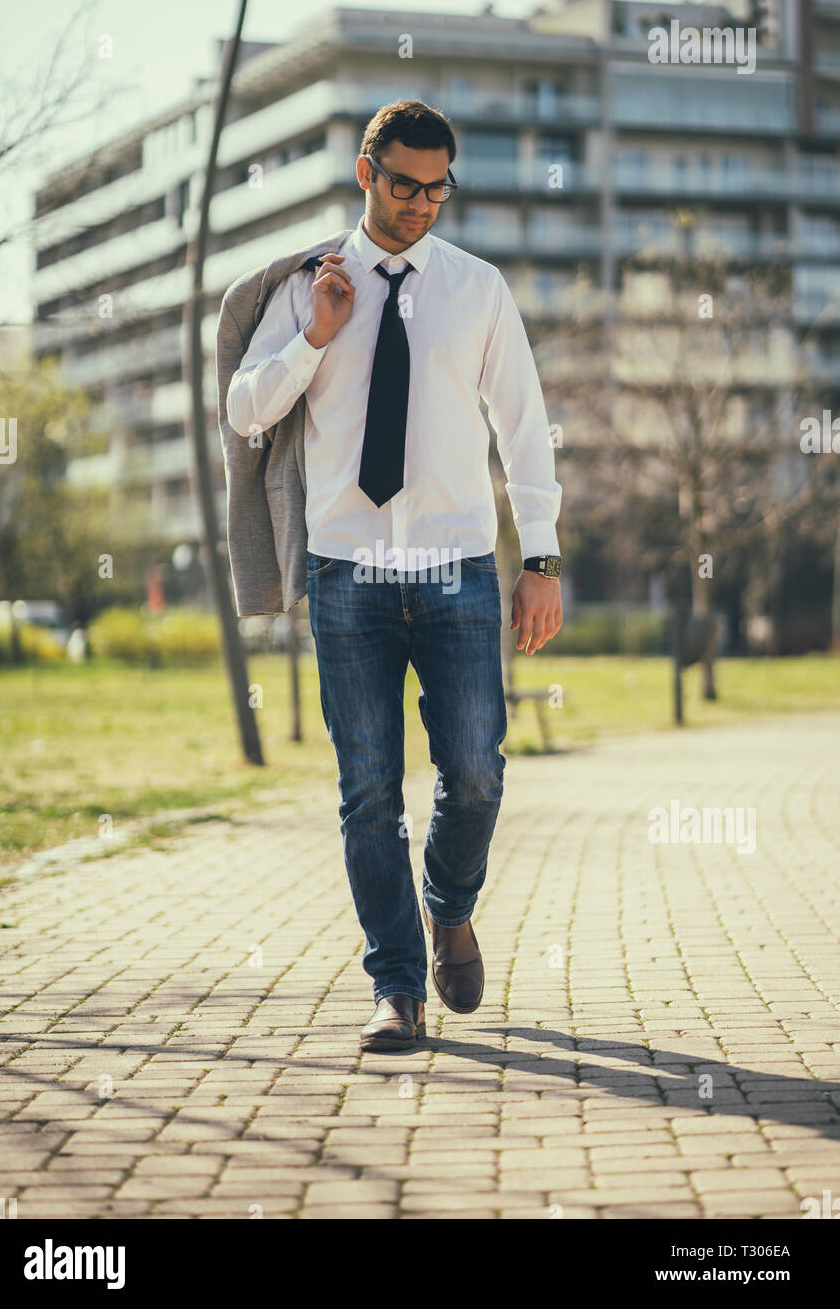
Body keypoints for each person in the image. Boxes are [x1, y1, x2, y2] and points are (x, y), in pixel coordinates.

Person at [227, 100, 563, 1051]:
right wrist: (317, 337)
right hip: (350, 575)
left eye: (439, 186)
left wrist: (539, 555)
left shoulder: (477, 289)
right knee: (368, 791)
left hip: (457, 566)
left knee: (477, 774)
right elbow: (247, 410)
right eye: (406, 183)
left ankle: (448, 906)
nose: (423, 204)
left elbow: (525, 427)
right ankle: (396, 988)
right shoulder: (309, 285)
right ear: (366, 171)